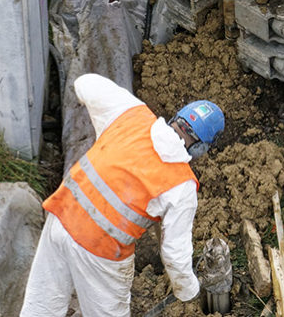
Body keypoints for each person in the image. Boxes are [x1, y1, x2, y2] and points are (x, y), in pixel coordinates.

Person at [19, 74, 225, 317]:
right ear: (201, 148)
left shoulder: (131, 113)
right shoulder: (182, 185)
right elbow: (175, 255)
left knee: (41, 306)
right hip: (101, 250)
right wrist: (188, 290)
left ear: (176, 118)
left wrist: (107, 130)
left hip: (62, 217)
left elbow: (84, 83)